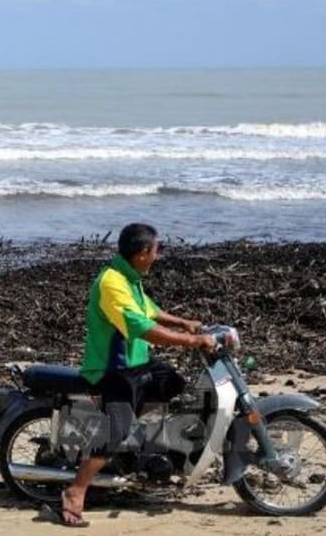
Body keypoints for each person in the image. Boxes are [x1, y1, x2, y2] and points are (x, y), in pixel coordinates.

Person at [59, 223, 216, 528]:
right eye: (157, 249)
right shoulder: (111, 283)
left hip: (136, 363)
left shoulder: (129, 277)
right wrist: (191, 341)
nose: (158, 255)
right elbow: (140, 326)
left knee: (173, 382)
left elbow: (148, 310)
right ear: (143, 253)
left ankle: (138, 445)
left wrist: (183, 322)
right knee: (116, 431)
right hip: (112, 370)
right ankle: (75, 492)